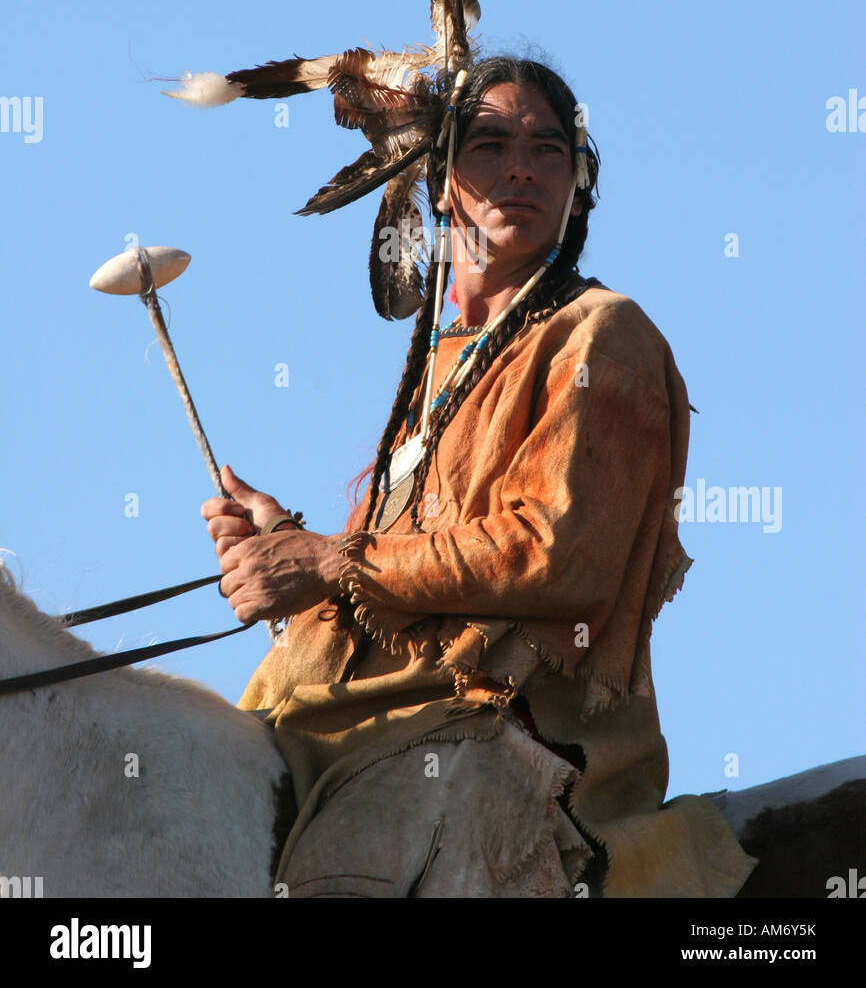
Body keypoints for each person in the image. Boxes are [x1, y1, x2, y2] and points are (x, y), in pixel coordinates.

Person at [201, 55, 759, 899]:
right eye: (489, 143)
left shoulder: (601, 334)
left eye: (550, 149)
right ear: (437, 180)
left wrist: (326, 562)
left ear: (577, 184)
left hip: (510, 738)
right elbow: (394, 567)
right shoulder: (444, 360)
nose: (522, 168)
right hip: (364, 712)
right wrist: (288, 545)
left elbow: (554, 554)